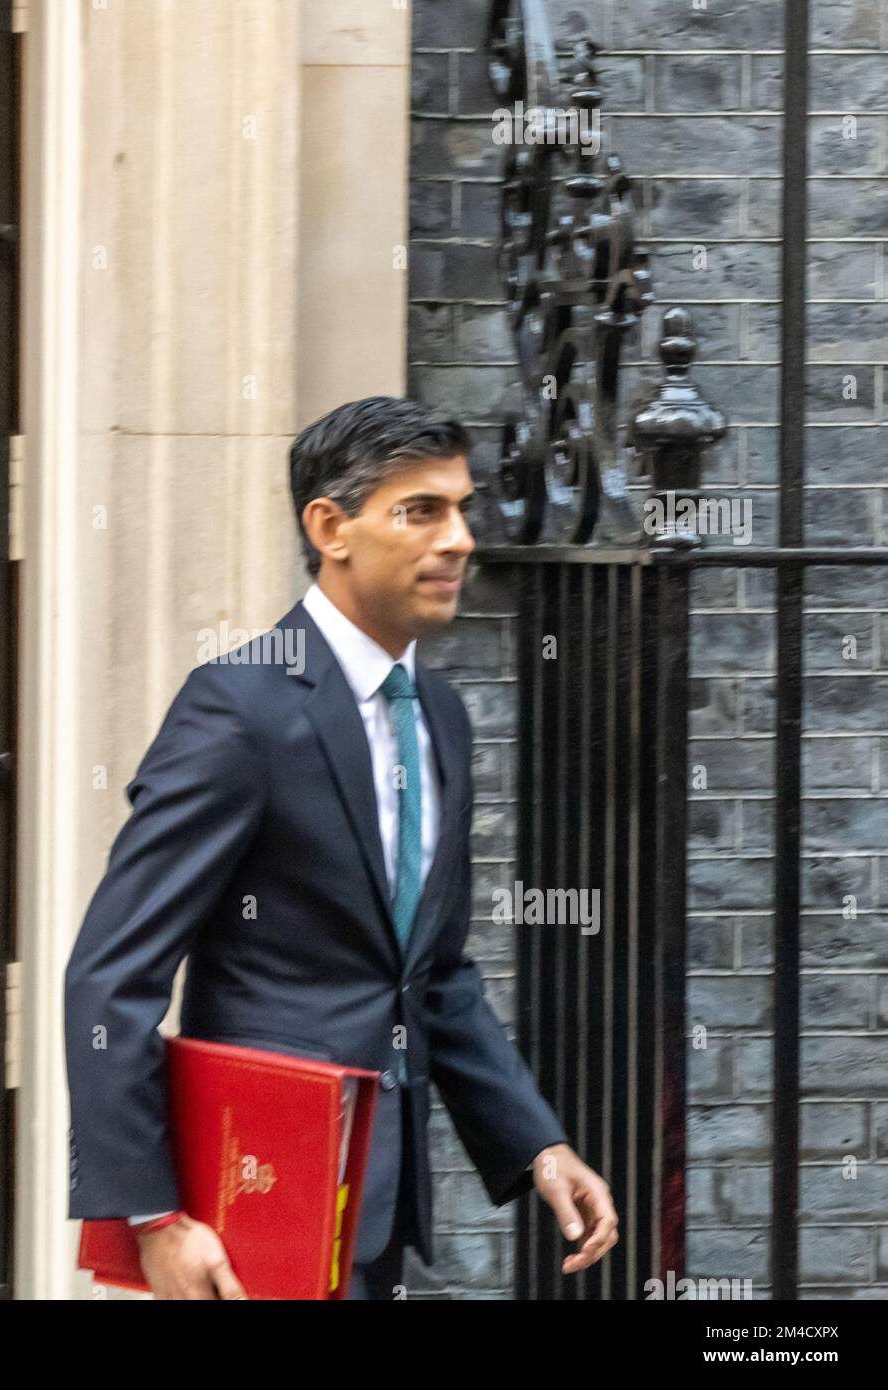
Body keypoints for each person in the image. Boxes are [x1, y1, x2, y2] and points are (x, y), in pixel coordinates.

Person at [64, 395, 618, 1299]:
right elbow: (109, 975)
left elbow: (431, 974)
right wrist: (153, 1217)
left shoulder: (439, 715)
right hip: (258, 1209)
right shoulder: (238, 710)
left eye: (461, 508)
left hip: (380, 1206)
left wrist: (538, 1143)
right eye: (421, 511)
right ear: (331, 527)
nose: (460, 539)